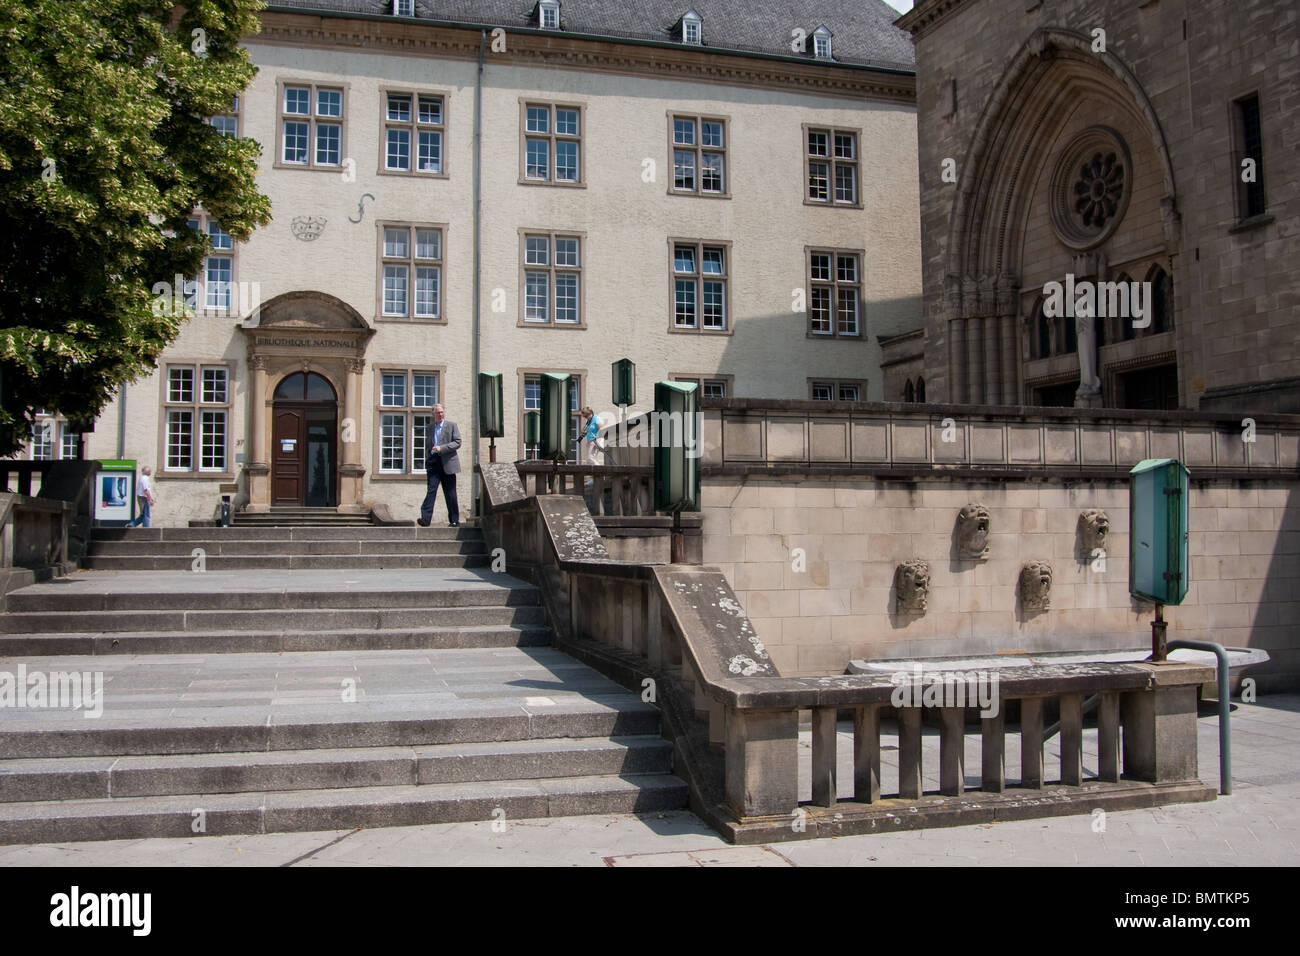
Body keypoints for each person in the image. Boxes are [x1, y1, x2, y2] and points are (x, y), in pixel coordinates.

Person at [418, 404, 461, 527]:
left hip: (447, 462)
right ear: (433, 414)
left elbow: (457, 442)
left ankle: (454, 520)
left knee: (450, 493)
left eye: (442, 412)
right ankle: (425, 519)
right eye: (438, 413)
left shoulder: (452, 426)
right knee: (431, 491)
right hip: (433, 462)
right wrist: (429, 456)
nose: (441, 414)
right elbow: (427, 444)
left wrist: (441, 448)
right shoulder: (430, 427)